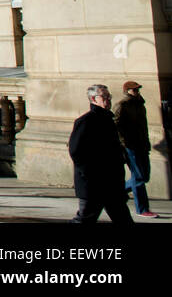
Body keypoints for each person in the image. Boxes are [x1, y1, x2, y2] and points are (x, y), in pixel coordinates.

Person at [68, 84, 133, 224]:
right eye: (104, 97)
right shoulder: (86, 121)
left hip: (111, 183)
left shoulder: (108, 119)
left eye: (109, 97)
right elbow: (76, 151)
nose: (108, 100)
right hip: (94, 184)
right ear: (93, 99)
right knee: (85, 219)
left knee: (123, 218)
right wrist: (89, 174)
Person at [115, 80, 158, 218]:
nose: (136, 91)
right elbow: (115, 124)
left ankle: (116, 192)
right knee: (139, 177)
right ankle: (142, 209)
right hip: (130, 146)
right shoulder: (123, 105)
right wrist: (124, 142)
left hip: (142, 144)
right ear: (127, 91)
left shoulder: (140, 104)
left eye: (137, 89)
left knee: (144, 176)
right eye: (134, 90)